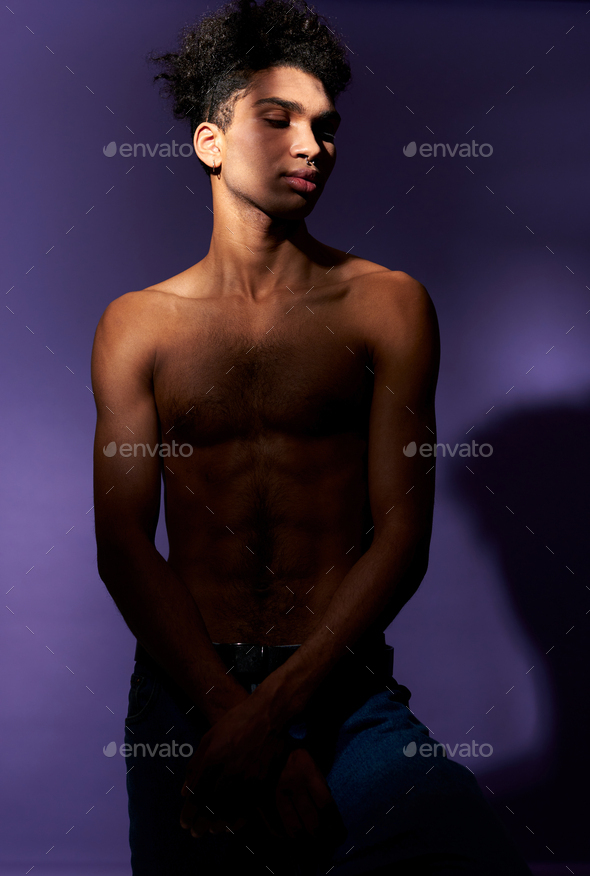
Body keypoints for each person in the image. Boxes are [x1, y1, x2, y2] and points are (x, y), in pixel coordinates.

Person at [91, 0, 533, 872]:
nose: (312, 145)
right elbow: (123, 546)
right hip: (186, 691)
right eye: (278, 118)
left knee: (460, 842)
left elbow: (403, 537)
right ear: (211, 142)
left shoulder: (387, 305)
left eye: (325, 127)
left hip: (341, 689)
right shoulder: (137, 326)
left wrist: (276, 714)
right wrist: (234, 717)